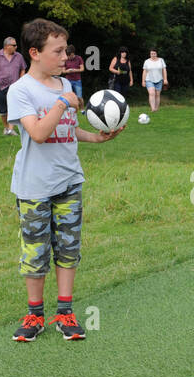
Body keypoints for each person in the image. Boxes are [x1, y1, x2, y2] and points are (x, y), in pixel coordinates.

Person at [7, 18, 122, 343]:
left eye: (65, 52)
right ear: (35, 53)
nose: (65, 58)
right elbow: (40, 134)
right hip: (34, 187)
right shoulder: (21, 91)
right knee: (35, 252)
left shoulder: (66, 87)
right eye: (57, 52)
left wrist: (96, 139)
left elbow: (67, 131)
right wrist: (60, 104)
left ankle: (65, 312)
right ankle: (34, 314)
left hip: (70, 182)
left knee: (69, 249)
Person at [0, 37, 27, 136]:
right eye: (14, 45)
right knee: (3, 110)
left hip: (15, 86)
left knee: (14, 107)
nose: (16, 47)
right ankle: (6, 128)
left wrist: (21, 80)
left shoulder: (19, 56)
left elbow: (23, 69)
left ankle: (11, 129)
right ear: (7, 46)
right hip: (1, 86)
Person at [142, 48, 169, 113]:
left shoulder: (161, 60)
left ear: (156, 54)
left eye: (154, 53)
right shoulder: (147, 61)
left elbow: (164, 70)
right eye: (151, 54)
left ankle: (156, 109)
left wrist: (165, 79)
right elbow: (145, 71)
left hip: (159, 80)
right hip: (149, 79)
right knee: (152, 93)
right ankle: (153, 109)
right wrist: (143, 81)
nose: (153, 55)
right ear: (150, 54)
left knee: (157, 94)